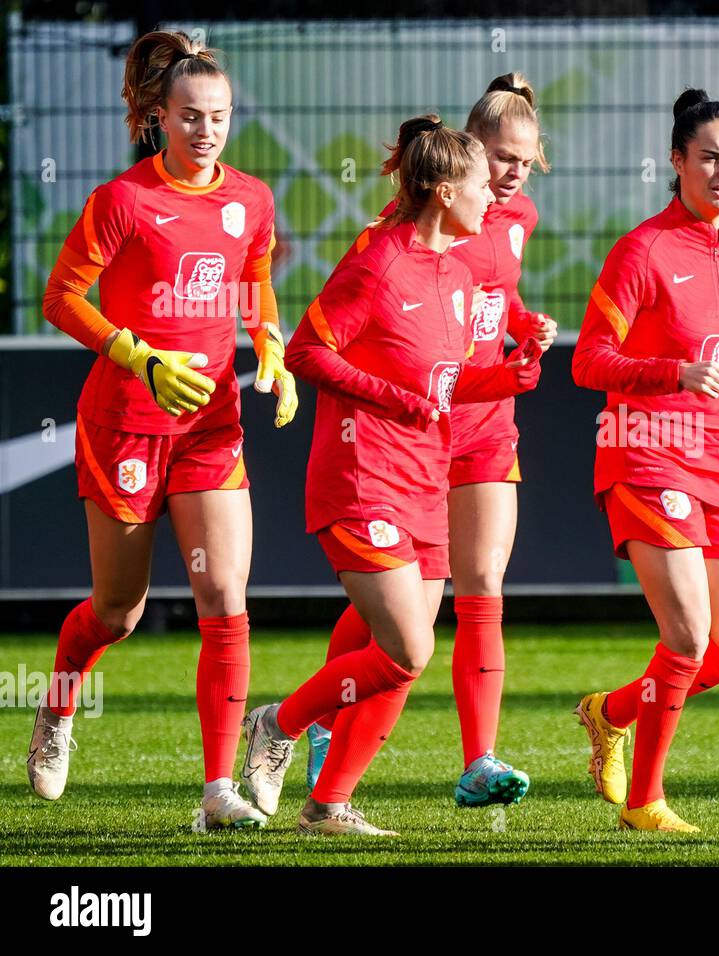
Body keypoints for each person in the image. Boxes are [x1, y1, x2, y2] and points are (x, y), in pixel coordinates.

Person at [238, 116, 540, 835]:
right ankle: (279, 723)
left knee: (400, 658)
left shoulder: (461, 273)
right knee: (410, 647)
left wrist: (507, 377)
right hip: (360, 474)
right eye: (477, 186)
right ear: (442, 192)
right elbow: (309, 351)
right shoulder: (378, 259)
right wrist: (388, 397)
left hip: (423, 482)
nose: (489, 200)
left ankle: (327, 805)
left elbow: (442, 381)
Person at [27, 30, 296, 829]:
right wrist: (136, 355)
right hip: (126, 427)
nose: (206, 130)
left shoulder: (250, 198)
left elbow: (253, 280)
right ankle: (58, 709)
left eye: (218, 116)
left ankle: (219, 791)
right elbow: (62, 297)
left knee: (224, 596)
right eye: (189, 116)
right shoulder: (123, 202)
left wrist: (271, 350)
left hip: (210, 427)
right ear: (159, 119)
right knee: (120, 610)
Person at [302, 74, 558, 809]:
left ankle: (479, 759)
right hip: (417, 425)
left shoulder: (515, 217)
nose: (510, 174)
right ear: (464, 159)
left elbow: (492, 295)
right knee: (408, 606)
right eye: (499, 158)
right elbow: (361, 321)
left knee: (480, 585)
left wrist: (522, 325)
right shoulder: (407, 230)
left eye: (524, 159)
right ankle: (319, 718)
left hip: (481, 414)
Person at [570, 88, 719, 832]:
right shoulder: (643, 250)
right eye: (709, 157)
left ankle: (609, 713)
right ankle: (645, 803)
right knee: (687, 637)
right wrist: (669, 373)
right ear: (677, 162)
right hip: (647, 454)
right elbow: (587, 362)